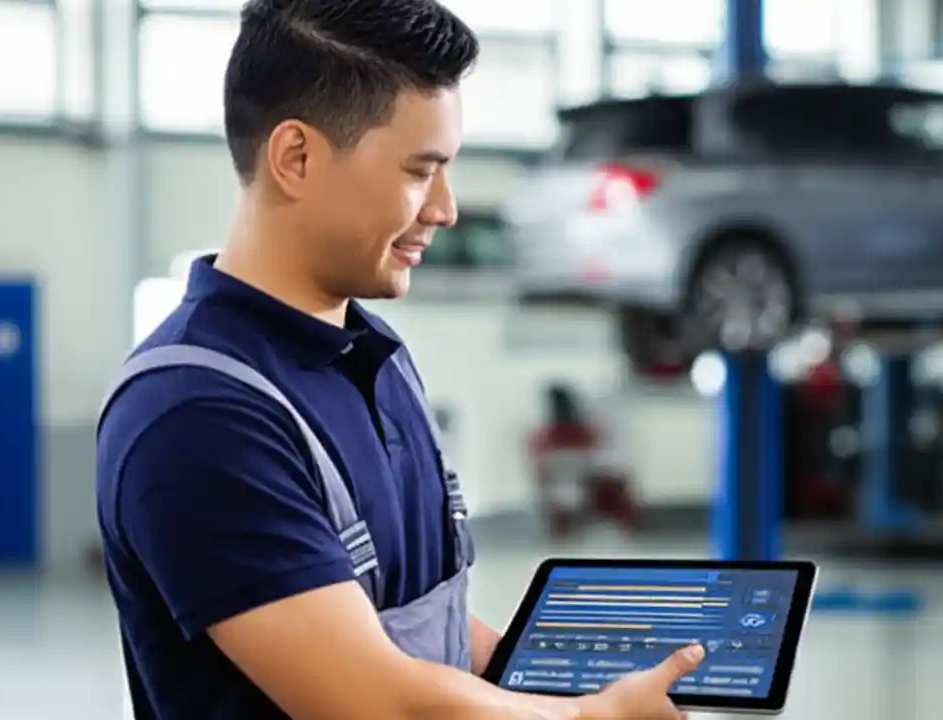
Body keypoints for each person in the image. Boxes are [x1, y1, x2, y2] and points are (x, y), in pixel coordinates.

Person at [94, 1, 704, 718]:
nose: (445, 208)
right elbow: (378, 703)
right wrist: (587, 719)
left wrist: (567, 679)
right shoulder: (196, 415)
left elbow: (426, 635)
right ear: (296, 158)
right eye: (422, 171)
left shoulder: (375, 356)